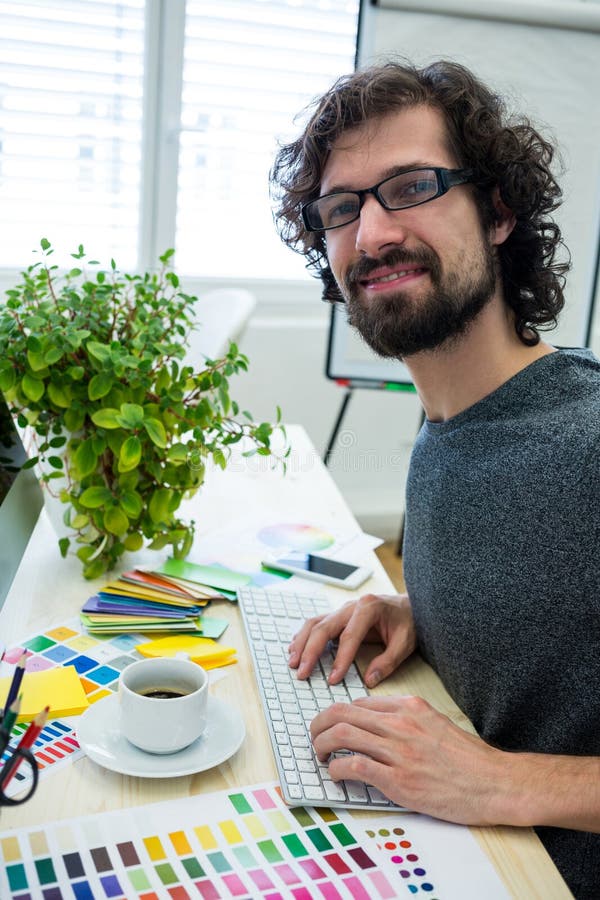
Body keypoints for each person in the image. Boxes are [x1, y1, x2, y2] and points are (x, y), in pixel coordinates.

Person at [270, 59, 600, 898]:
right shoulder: (449, 421)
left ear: (496, 211)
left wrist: (499, 780)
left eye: (411, 186)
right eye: (342, 209)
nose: (373, 235)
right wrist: (429, 609)